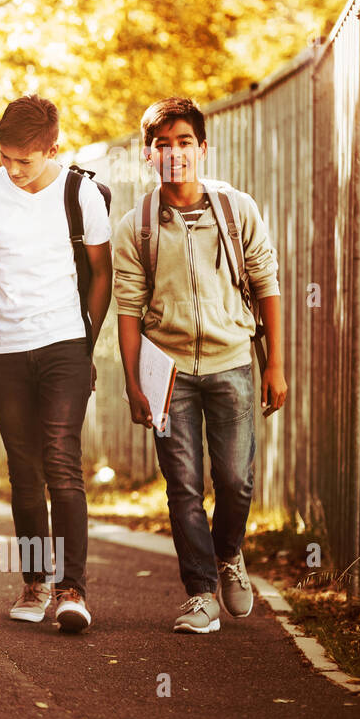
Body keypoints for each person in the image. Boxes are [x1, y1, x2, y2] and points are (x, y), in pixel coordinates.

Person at [112, 97, 287, 634]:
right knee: (183, 484)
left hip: (232, 361)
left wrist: (276, 364)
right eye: (162, 145)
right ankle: (200, 594)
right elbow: (127, 307)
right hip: (168, 374)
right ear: (149, 154)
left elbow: (267, 285)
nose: (174, 153)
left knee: (234, 481)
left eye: (184, 142)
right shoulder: (136, 225)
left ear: (203, 149)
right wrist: (133, 381)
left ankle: (228, 552)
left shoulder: (237, 211)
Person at [0, 95, 111, 633]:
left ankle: (72, 590)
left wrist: (84, 344)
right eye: (5, 157)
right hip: (2, 351)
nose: (13, 169)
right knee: (23, 472)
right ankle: (34, 580)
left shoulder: (81, 192)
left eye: (25, 159)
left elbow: (101, 274)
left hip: (64, 344)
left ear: (53, 148)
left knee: (61, 463)